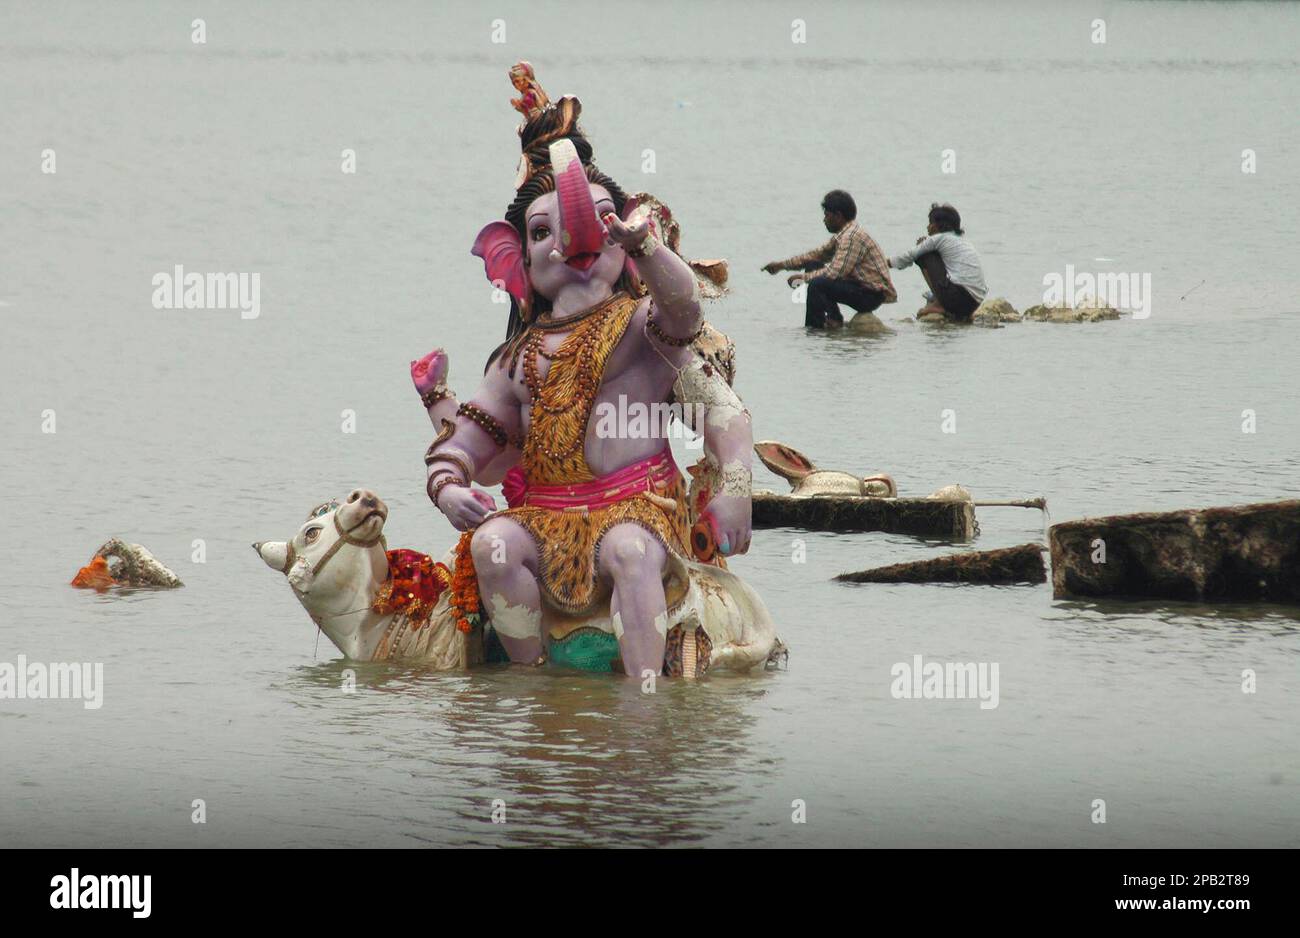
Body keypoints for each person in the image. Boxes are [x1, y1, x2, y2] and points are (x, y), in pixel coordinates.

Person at [762, 190, 896, 328]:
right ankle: (834, 318)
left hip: (871, 294)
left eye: (827, 215)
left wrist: (803, 278)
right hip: (859, 287)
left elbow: (835, 272)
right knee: (813, 265)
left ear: (838, 216)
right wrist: (781, 266)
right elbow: (816, 255)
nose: (824, 220)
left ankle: (814, 329)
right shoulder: (845, 234)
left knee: (817, 284)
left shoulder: (851, 237)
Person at [889, 203, 987, 322]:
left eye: (929, 223)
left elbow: (910, 255)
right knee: (928, 251)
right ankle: (955, 309)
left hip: (958, 298)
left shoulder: (940, 238)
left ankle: (939, 304)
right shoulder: (962, 241)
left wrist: (886, 263)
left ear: (935, 226)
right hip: (973, 304)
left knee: (923, 253)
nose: (927, 227)